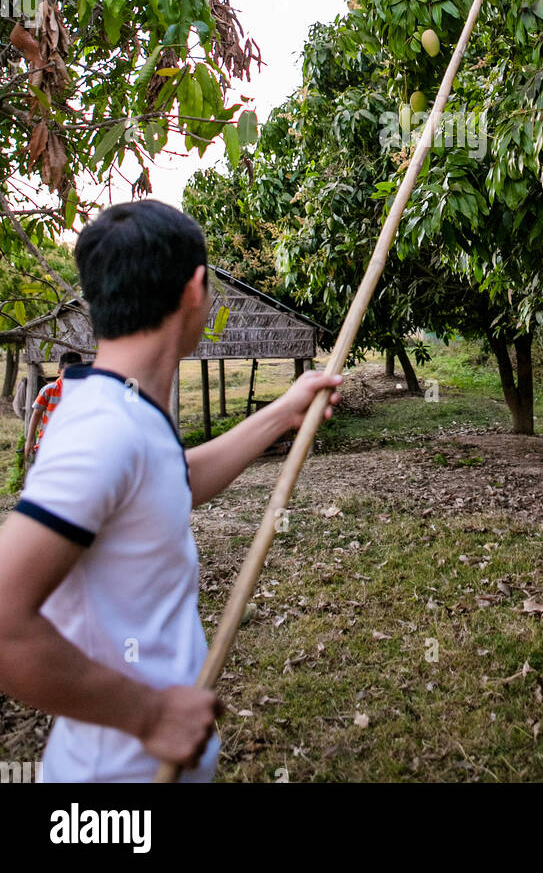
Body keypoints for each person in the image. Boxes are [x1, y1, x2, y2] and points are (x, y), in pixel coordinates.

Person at [0, 200, 341, 783]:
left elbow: (169, 483)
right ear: (196, 290)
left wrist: (281, 414)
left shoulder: (121, 410)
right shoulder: (106, 432)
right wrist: (150, 713)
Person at [24, 351, 84, 461]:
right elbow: (36, 414)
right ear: (59, 372)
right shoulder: (49, 390)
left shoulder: (85, 392)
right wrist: (29, 440)